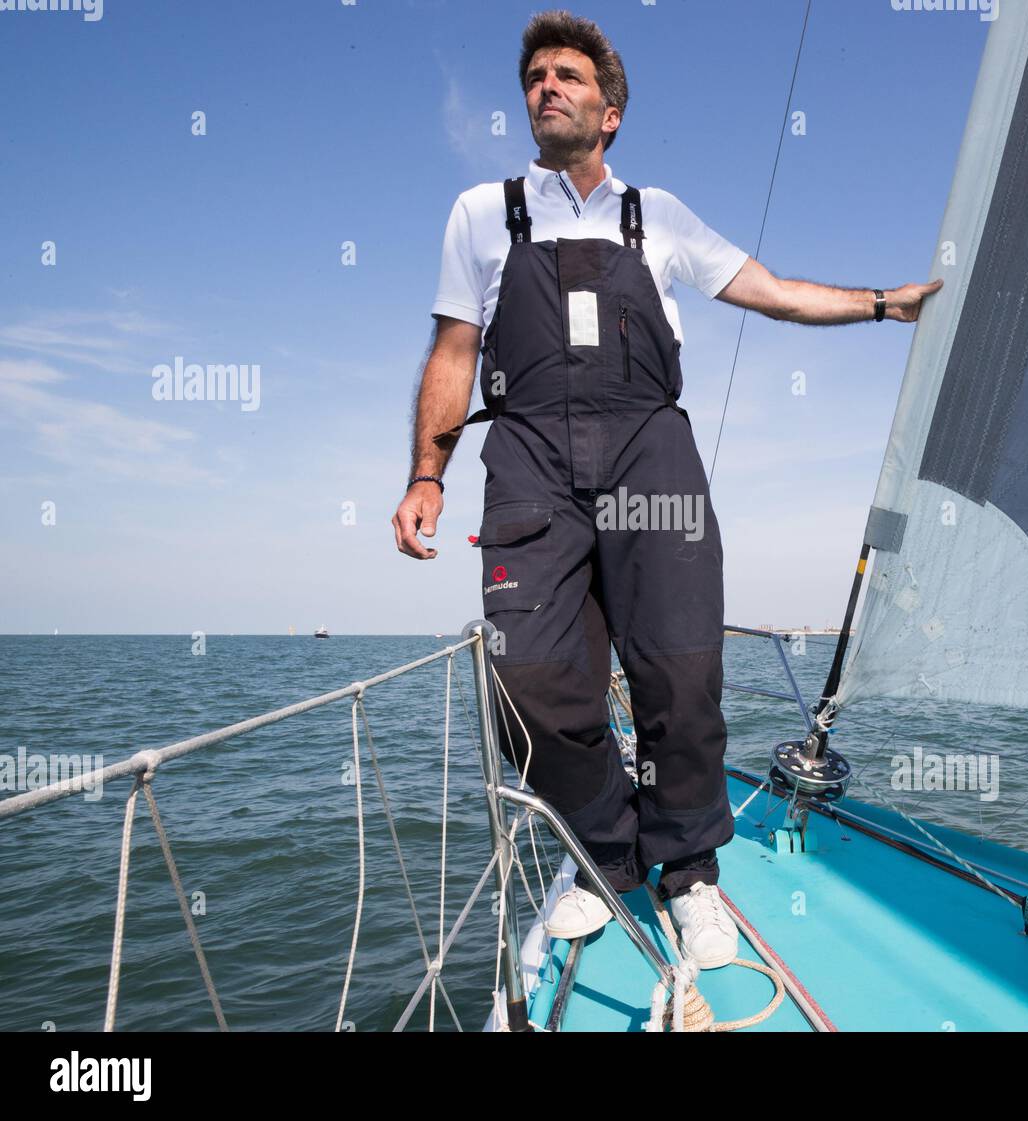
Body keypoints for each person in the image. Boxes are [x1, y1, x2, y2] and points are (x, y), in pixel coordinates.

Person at [392, 10, 940, 969]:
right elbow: (453, 348)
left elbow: (771, 291)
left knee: (681, 668)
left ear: (610, 112)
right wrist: (425, 474)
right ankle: (604, 851)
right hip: (525, 455)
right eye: (534, 75)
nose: (545, 86)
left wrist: (883, 304)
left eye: (567, 75)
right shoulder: (481, 213)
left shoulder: (659, 217)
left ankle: (687, 870)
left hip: (651, 447)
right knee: (525, 679)